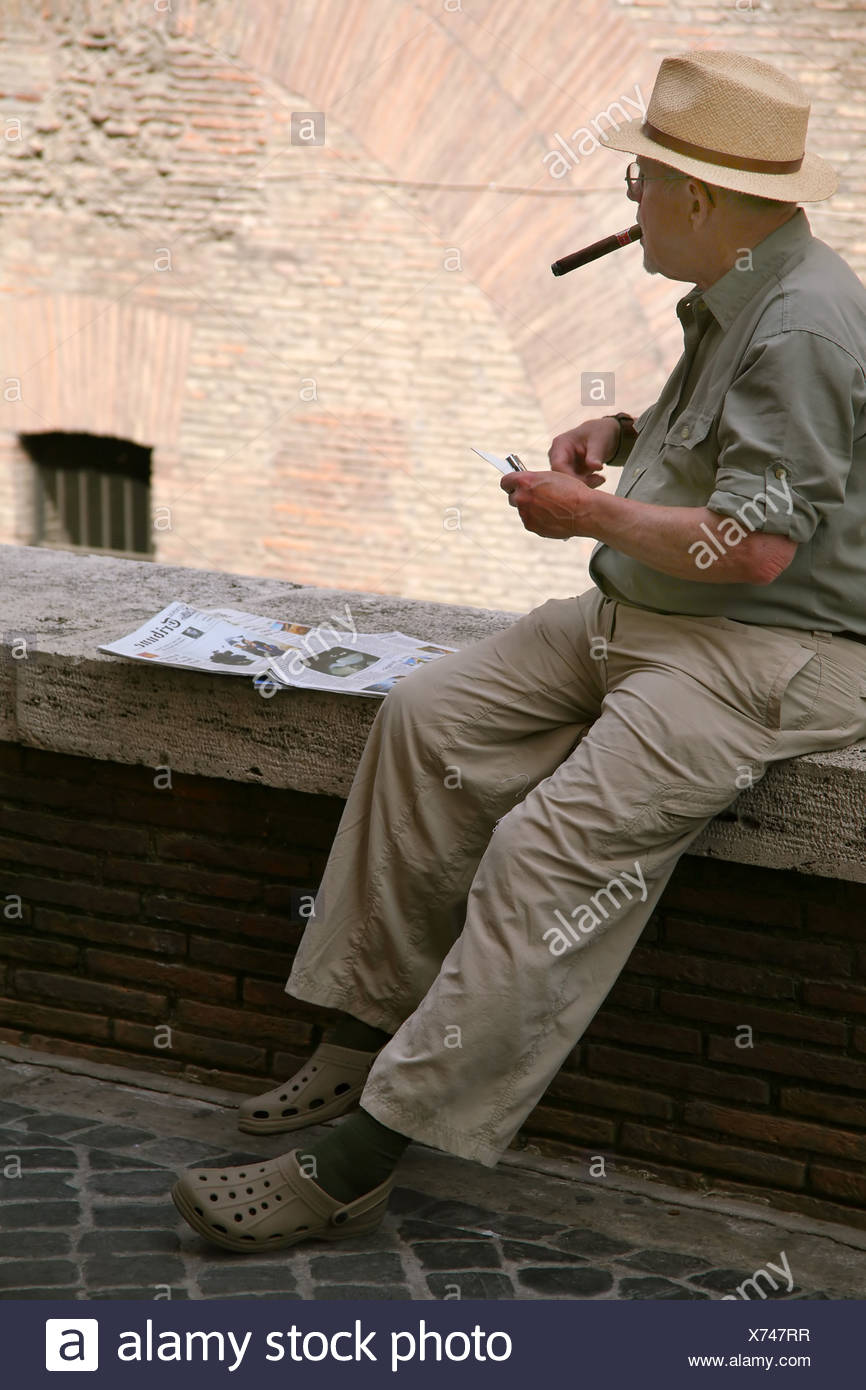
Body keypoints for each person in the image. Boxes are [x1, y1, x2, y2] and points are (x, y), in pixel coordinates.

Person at [172, 49, 866, 1252]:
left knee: (547, 858)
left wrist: (587, 513)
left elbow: (753, 551)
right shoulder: (749, 283)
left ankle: (357, 1160)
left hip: (759, 651)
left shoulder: (801, 317)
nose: (629, 204)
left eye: (642, 182)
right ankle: (358, 1036)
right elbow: (752, 449)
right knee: (425, 717)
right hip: (643, 617)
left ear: (698, 198)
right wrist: (627, 432)